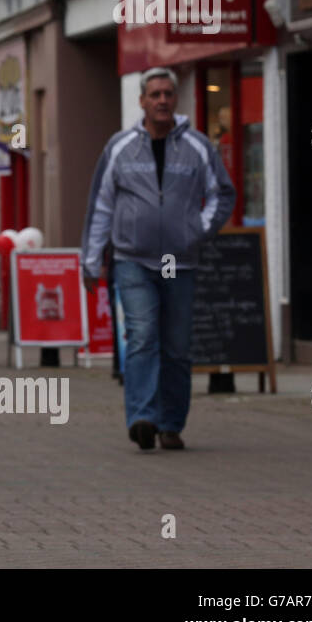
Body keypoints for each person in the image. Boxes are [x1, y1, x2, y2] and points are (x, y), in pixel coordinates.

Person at [80, 66, 235, 451]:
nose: (162, 100)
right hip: (133, 259)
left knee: (177, 347)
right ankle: (143, 418)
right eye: (155, 94)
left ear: (175, 99)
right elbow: (101, 205)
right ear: (142, 101)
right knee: (143, 336)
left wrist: (195, 230)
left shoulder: (198, 146)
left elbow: (222, 194)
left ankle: (171, 423)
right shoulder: (119, 147)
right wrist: (90, 258)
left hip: (179, 261)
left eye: (168, 93)